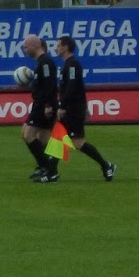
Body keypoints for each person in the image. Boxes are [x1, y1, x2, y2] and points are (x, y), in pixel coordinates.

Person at [54, 35, 115, 181]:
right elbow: (77, 87)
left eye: (58, 45)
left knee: (77, 143)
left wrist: (63, 106)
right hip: (71, 108)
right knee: (57, 139)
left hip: (73, 110)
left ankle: (106, 165)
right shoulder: (68, 65)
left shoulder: (73, 64)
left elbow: (73, 87)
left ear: (66, 47)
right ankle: (50, 172)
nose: (56, 47)